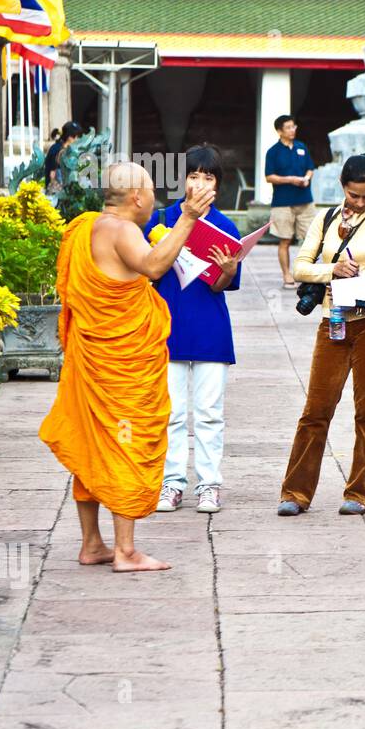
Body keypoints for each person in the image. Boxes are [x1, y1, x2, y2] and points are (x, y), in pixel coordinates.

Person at [39, 161, 215, 572]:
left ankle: (92, 544)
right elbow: (153, 267)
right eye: (151, 190)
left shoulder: (85, 227)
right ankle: (126, 551)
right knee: (125, 443)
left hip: (90, 359)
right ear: (137, 197)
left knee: (93, 445)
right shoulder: (122, 230)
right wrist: (188, 217)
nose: (155, 198)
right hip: (121, 366)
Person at [277, 154, 365, 517]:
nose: (359, 202)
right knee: (316, 410)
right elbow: (301, 266)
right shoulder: (326, 218)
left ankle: (359, 492)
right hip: (333, 319)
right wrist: (332, 270)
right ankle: (295, 492)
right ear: (343, 187)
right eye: (354, 195)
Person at [145, 145, 243, 515]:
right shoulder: (159, 221)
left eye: (208, 177)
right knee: (170, 413)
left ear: (218, 184)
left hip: (209, 330)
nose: (200, 183)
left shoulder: (226, 227)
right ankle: (171, 483)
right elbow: (148, 273)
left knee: (209, 412)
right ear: (182, 179)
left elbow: (220, 286)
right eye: (193, 175)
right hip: (167, 328)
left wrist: (228, 271)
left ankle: (209, 484)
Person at [266, 114, 316, 289]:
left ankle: (308, 273)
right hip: (283, 202)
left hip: (305, 201)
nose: (292, 130)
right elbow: (269, 177)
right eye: (288, 127)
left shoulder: (301, 147)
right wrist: (290, 179)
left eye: (294, 126)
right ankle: (287, 274)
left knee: (312, 239)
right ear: (280, 131)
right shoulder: (273, 152)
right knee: (285, 240)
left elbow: (310, 168)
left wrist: (307, 178)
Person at [43, 121, 84, 191]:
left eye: (78, 136)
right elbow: (53, 172)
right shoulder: (56, 148)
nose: (76, 139)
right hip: (57, 189)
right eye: (74, 136)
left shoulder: (74, 149)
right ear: (67, 136)